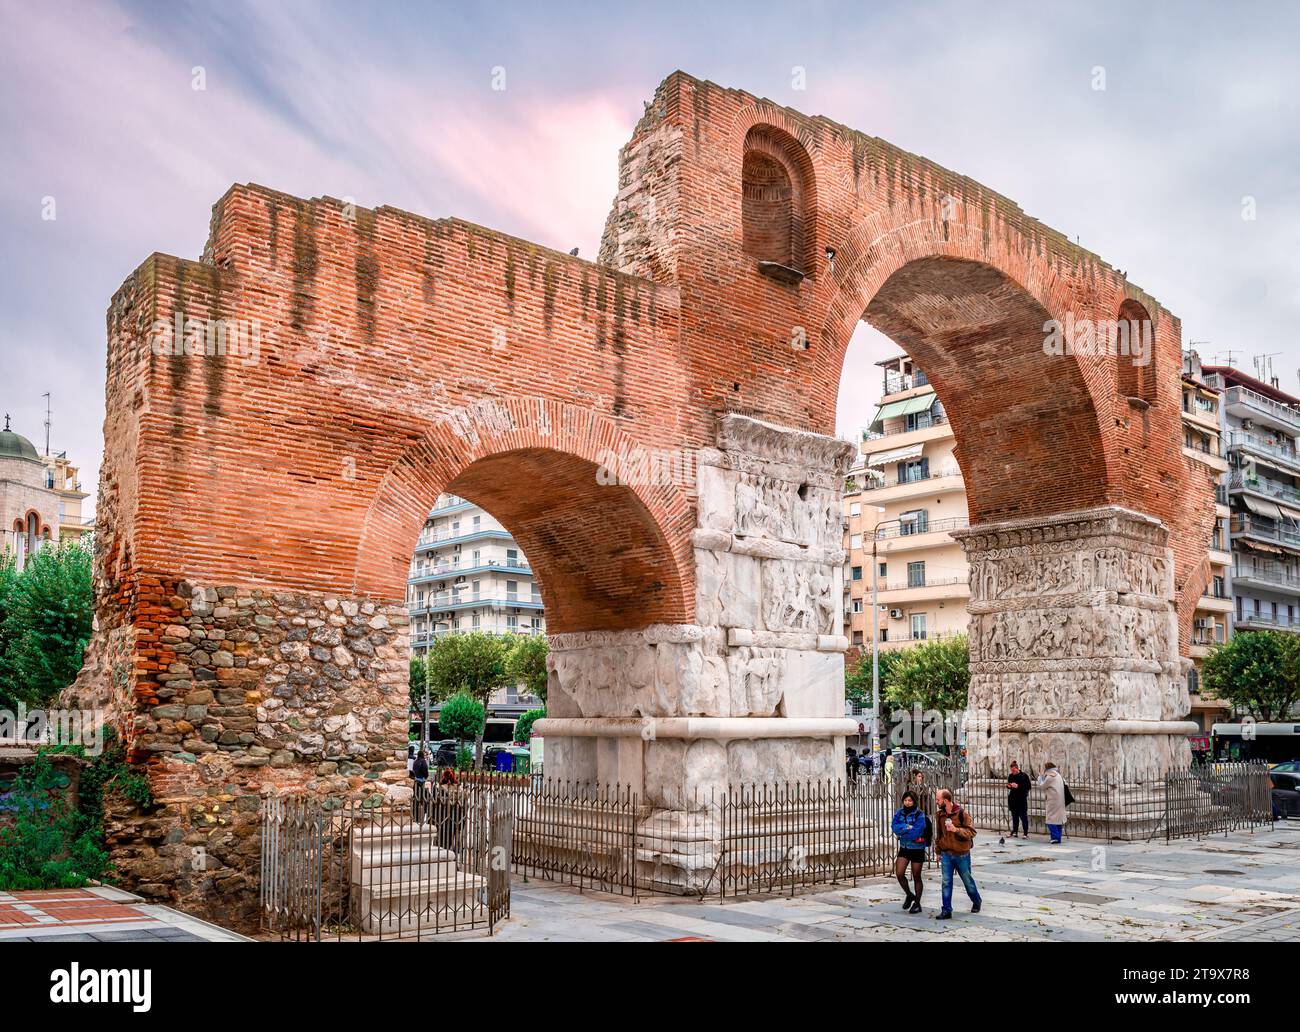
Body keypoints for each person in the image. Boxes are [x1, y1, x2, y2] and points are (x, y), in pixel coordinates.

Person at [934, 788, 981, 919]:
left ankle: (976, 900)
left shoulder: (962, 813)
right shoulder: (940, 815)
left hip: (962, 854)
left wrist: (956, 830)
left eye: (938, 799)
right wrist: (938, 851)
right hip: (946, 853)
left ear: (946, 800)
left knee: (967, 881)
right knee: (946, 882)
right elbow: (939, 834)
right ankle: (946, 910)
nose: (936, 802)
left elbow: (972, 832)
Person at [891, 790, 929, 914]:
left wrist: (904, 832)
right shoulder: (899, 813)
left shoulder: (920, 814)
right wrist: (906, 827)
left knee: (916, 876)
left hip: (917, 849)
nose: (907, 803)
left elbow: (916, 832)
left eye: (910, 800)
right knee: (899, 873)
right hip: (904, 848)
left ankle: (917, 904)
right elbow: (894, 827)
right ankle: (909, 895)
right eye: (905, 800)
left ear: (914, 801)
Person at [1038, 762, 1068, 843]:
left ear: (1047, 769)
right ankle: (1058, 838)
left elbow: (1042, 786)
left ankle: (1055, 837)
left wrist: (1040, 778)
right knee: (1058, 820)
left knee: (1050, 820)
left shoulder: (1050, 777)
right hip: (1060, 800)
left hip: (1053, 801)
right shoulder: (1058, 775)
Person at [1006, 761, 1031, 838]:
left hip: (1021, 800)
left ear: (1017, 769)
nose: (1012, 772)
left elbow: (1028, 787)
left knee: (1023, 817)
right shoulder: (1010, 776)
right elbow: (1008, 784)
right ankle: (1015, 831)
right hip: (1013, 800)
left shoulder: (1024, 776)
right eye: (1011, 770)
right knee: (1014, 817)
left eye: (1013, 770)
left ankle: (1025, 833)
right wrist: (1009, 786)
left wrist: (1018, 786)